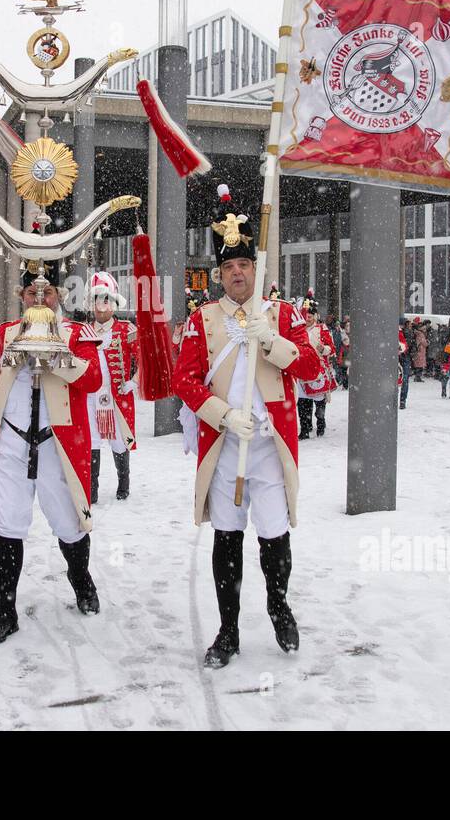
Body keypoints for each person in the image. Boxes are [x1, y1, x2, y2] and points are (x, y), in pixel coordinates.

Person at [171, 182, 321, 669]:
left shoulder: (280, 314)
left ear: (256, 270)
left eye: (244, 266)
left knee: (275, 537)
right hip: (225, 445)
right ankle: (228, 630)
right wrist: (221, 415)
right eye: (229, 268)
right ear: (219, 275)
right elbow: (184, 379)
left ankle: (279, 607)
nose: (238, 274)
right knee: (228, 540)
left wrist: (273, 341)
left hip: (268, 447)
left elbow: (317, 372)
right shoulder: (202, 320)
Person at [0, 256, 104, 647]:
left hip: (58, 447)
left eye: (48, 290)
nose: (40, 296)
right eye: (31, 291)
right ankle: (5, 611)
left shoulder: (77, 333)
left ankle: (80, 577)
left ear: (58, 295)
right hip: (11, 442)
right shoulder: (4, 334)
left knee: (70, 526)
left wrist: (58, 356)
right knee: (7, 526)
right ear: (21, 296)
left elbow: (93, 379)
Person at [85, 271, 139, 502]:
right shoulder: (84, 331)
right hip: (91, 396)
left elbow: (144, 360)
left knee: (119, 440)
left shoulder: (127, 330)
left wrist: (133, 382)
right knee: (92, 440)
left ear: (114, 304)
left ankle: (123, 483)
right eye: (97, 299)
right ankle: (92, 489)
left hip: (118, 395)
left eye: (106, 299)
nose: (101, 305)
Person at [296, 292, 335, 437]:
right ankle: (305, 428)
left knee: (319, 401)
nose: (307, 319)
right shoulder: (299, 330)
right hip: (302, 369)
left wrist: (323, 349)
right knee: (303, 401)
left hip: (318, 369)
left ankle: (320, 424)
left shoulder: (321, 329)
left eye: (310, 317)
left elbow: (331, 348)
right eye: (305, 317)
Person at [411, 317, 428, 381]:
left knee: (418, 364)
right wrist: (427, 342)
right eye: (424, 329)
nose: (425, 330)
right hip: (421, 350)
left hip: (418, 350)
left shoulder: (417, 333)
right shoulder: (421, 334)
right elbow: (424, 343)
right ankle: (418, 377)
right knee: (419, 365)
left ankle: (417, 377)